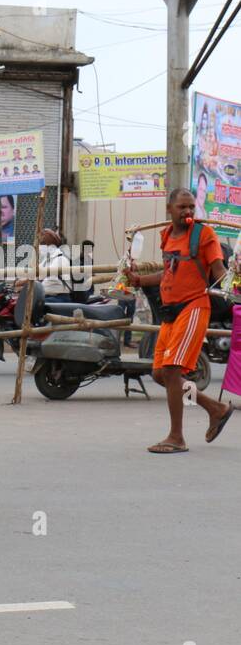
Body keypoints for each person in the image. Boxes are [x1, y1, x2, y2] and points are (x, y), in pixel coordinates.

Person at [124, 188, 234, 453]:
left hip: (194, 307)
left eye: (190, 207)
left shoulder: (204, 234)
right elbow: (168, 274)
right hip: (170, 314)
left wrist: (233, 282)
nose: (187, 212)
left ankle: (176, 437)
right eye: (182, 207)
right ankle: (215, 408)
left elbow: (218, 270)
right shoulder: (167, 236)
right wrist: (138, 280)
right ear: (169, 209)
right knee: (161, 375)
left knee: (173, 371)